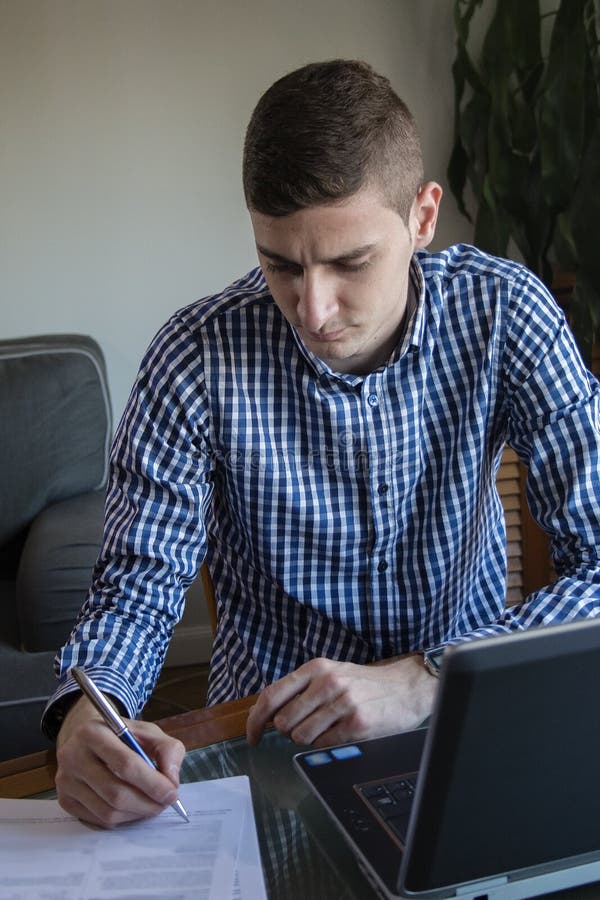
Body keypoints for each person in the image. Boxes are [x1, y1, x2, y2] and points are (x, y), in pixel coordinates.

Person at [43, 59, 600, 828]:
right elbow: (137, 584)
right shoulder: (195, 357)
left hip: (460, 719)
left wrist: (427, 676)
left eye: (350, 263)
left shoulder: (507, 313)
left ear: (423, 218)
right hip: (269, 749)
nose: (312, 310)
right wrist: (87, 713)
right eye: (281, 264)